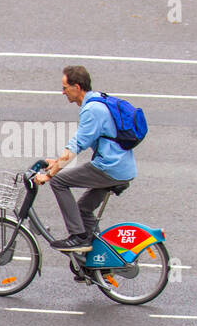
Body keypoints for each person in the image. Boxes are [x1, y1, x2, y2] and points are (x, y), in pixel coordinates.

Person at [33, 65, 137, 251]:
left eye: (65, 87)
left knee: (58, 181)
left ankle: (78, 237)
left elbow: (75, 146)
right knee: (82, 210)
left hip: (110, 168)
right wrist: (57, 162)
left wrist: (49, 175)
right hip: (121, 166)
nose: (63, 92)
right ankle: (100, 258)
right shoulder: (97, 100)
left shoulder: (92, 110)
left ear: (77, 87)